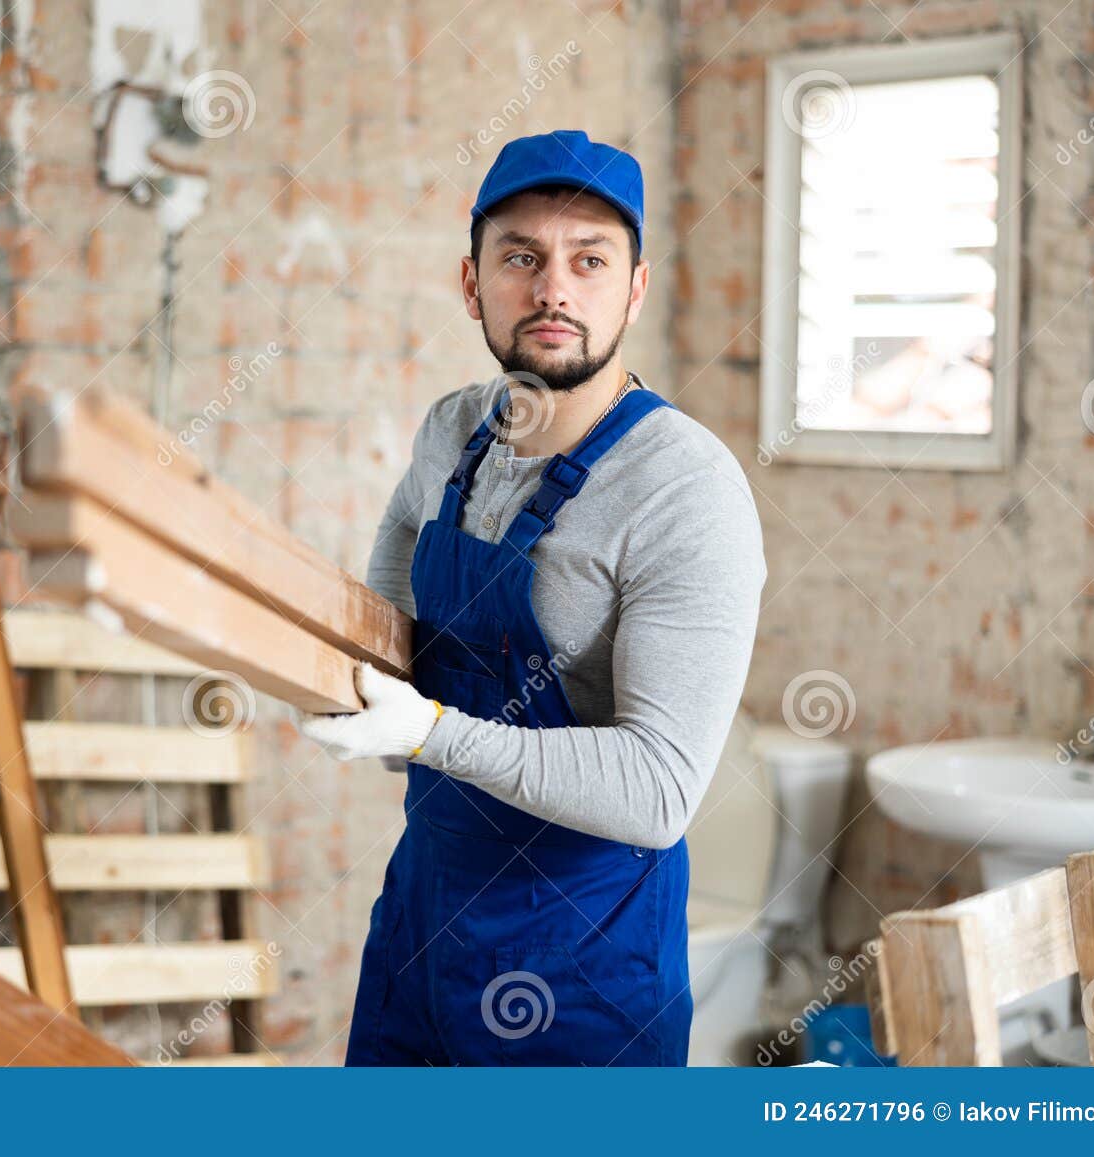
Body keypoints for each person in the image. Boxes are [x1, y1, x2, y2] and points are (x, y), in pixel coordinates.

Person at [297, 129, 766, 1066]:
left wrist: (427, 733)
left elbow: (659, 791)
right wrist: (344, 674)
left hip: (581, 981)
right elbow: (392, 584)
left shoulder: (685, 490)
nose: (555, 289)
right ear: (472, 283)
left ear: (634, 288)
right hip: (420, 936)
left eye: (590, 261)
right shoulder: (452, 432)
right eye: (522, 257)